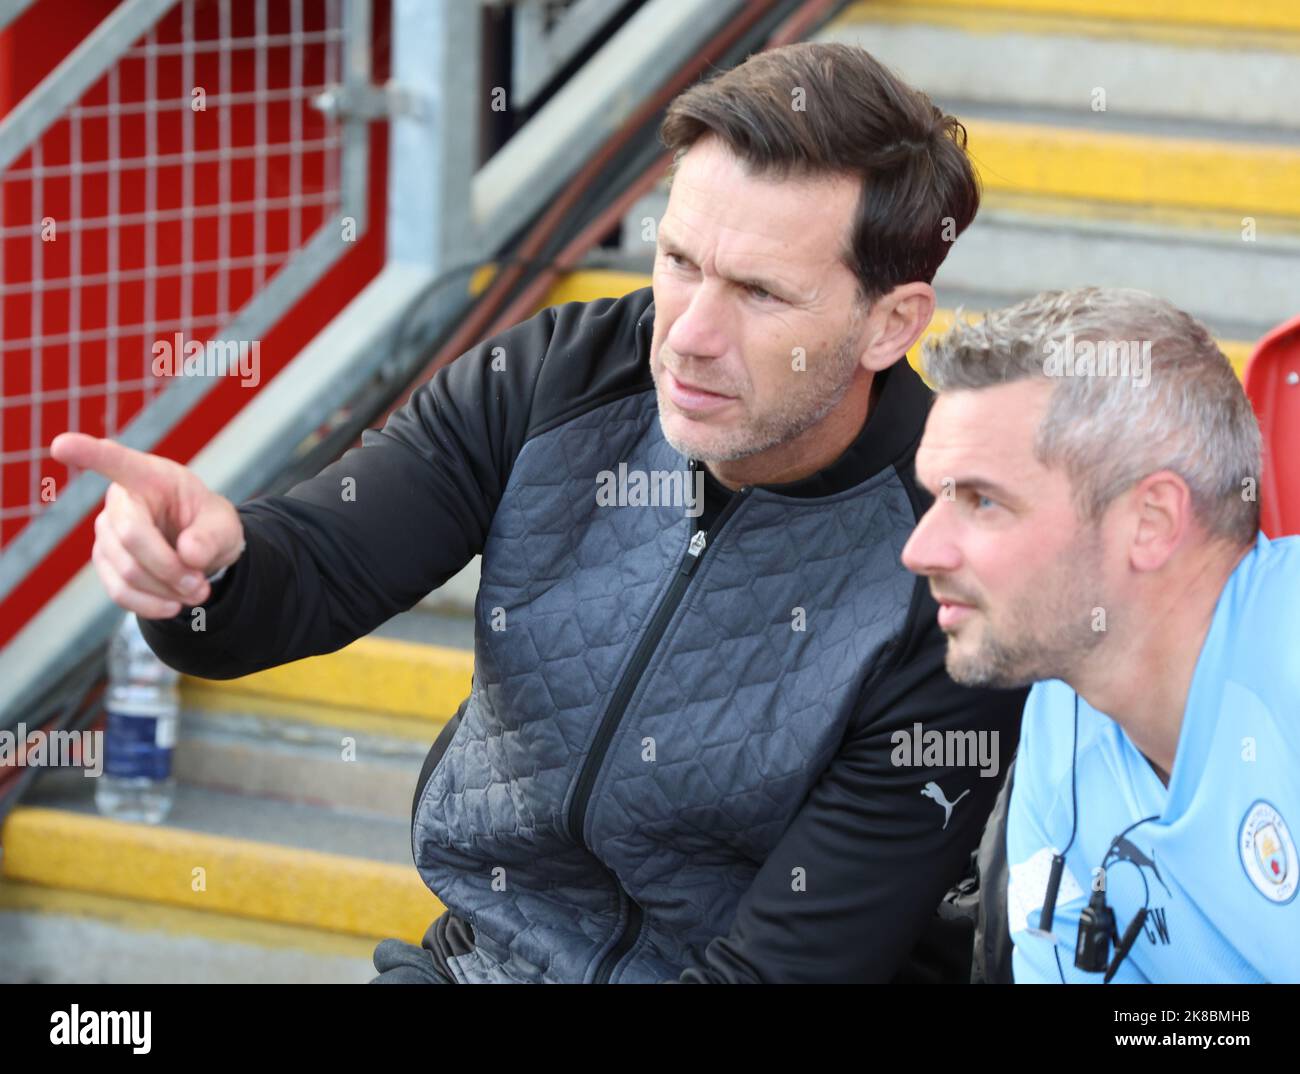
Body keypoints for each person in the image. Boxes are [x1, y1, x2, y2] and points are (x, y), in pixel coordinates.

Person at [52, 42, 1026, 983]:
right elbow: (310, 569)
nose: (688, 336)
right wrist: (201, 573)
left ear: (890, 323)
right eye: (679, 260)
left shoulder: (951, 566)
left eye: (760, 294)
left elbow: (780, 972)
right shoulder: (562, 374)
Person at [901, 286, 1300, 983]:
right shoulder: (1064, 711)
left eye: (983, 501)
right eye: (937, 497)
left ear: (1151, 521)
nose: (921, 549)